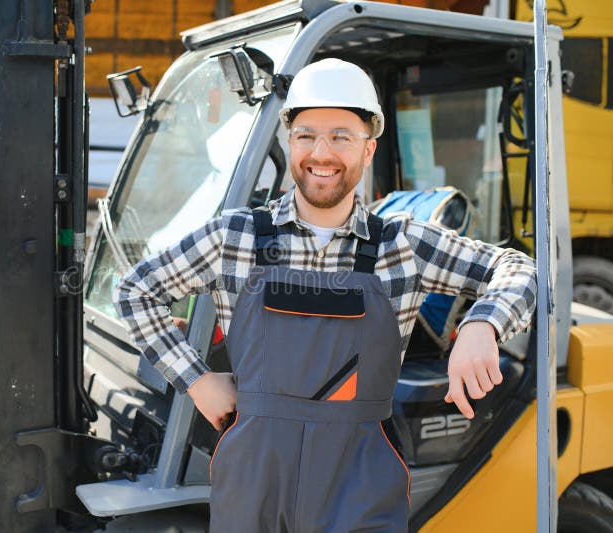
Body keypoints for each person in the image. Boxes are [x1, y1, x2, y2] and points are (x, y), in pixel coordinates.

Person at [113, 58, 536, 532]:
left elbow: (516, 267)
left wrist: (482, 324)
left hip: (358, 479)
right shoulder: (234, 237)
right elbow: (135, 291)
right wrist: (196, 380)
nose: (322, 152)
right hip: (254, 480)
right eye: (307, 135)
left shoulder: (404, 245)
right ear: (289, 142)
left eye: (341, 136)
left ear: (369, 149)